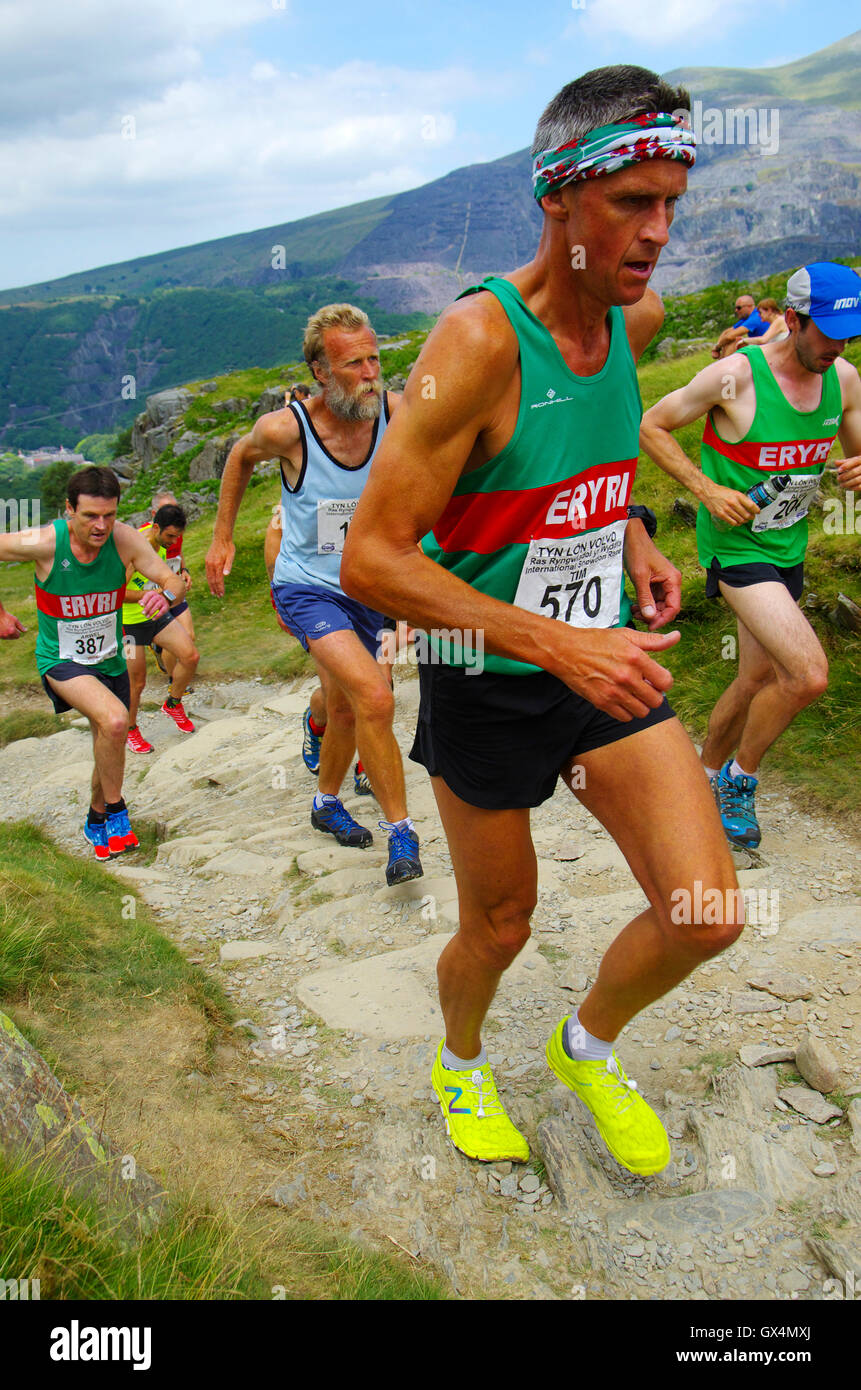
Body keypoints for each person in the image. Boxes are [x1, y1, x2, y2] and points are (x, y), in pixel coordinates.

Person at [342, 65, 742, 1175]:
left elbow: (588, 470)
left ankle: (585, 1043)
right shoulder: (476, 344)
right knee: (501, 924)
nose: (659, 233)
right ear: (558, 197)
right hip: (490, 669)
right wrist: (558, 640)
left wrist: (636, 538)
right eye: (632, 204)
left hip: (601, 662)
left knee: (708, 910)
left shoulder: (638, 316)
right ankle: (462, 1059)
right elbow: (371, 555)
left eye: (673, 203)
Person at [640, 261, 861, 848]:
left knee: (758, 675)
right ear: (793, 320)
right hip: (737, 547)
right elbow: (653, 425)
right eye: (830, 334)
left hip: (789, 545)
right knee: (809, 674)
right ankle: (742, 779)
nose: (838, 348)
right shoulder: (735, 376)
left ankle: (701, 776)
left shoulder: (845, 379)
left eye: (851, 335)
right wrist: (707, 490)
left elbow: (857, 454)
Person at [205, 303, 422, 886]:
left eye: (376, 359)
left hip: (372, 584)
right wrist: (222, 537)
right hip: (309, 587)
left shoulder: (393, 413)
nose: (372, 374)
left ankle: (325, 801)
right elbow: (239, 458)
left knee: (351, 704)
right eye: (354, 364)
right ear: (320, 372)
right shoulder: (288, 429)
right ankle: (403, 834)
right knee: (375, 698)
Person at [0, 466, 187, 858]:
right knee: (117, 719)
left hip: (108, 658)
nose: (101, 526)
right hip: (61, 659)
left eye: (109, 515)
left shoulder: (126, 541)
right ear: (69, 509)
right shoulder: (47, 541)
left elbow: (172, 579)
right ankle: (119, 811)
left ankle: (96, 815)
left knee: (110, 734)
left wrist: (165, 595)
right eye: (90, 516)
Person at [262, 508, 371, 792]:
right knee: (337, 690)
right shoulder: (293, 502)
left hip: (369, 594)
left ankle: (366, 764)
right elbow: (274, 550)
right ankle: (316, 722)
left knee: (378, 684)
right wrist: (279, 603)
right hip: (320, 602)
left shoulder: (373, 480)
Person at [124, 503, 200, 752]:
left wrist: (179, 577)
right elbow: (117, 593)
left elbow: (172, 568)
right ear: (155, 527)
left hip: (155, 615)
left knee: (190, 655)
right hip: (127, 623)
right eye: (170, 536)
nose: (174, 541)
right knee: (136, 683)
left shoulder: (164, 540)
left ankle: (173, 703)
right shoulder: (135, 548)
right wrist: (153, 594)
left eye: (178, 537)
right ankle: (130, 730)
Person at [144, 490, 195, 686]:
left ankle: (170, 665)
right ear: (154, 515)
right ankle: (175, 682)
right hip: (156, 595)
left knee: (189, 636)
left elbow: (178, 554)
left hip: (175, 592)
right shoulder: (143, 540)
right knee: (173, 642)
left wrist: (185, 571)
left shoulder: (175, 531)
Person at [711, 292, 768, 360]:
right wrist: (717, 347)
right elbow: (727, 332)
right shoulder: (747, 318)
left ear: (749, 306)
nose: (736, 310)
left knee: (736, 341)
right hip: (760, 347)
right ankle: (722, 364)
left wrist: (717, 347)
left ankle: (723, 365)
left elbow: (730, 336)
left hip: (767, 349)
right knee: (730, 340)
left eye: (739, 308)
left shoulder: (756, 317)